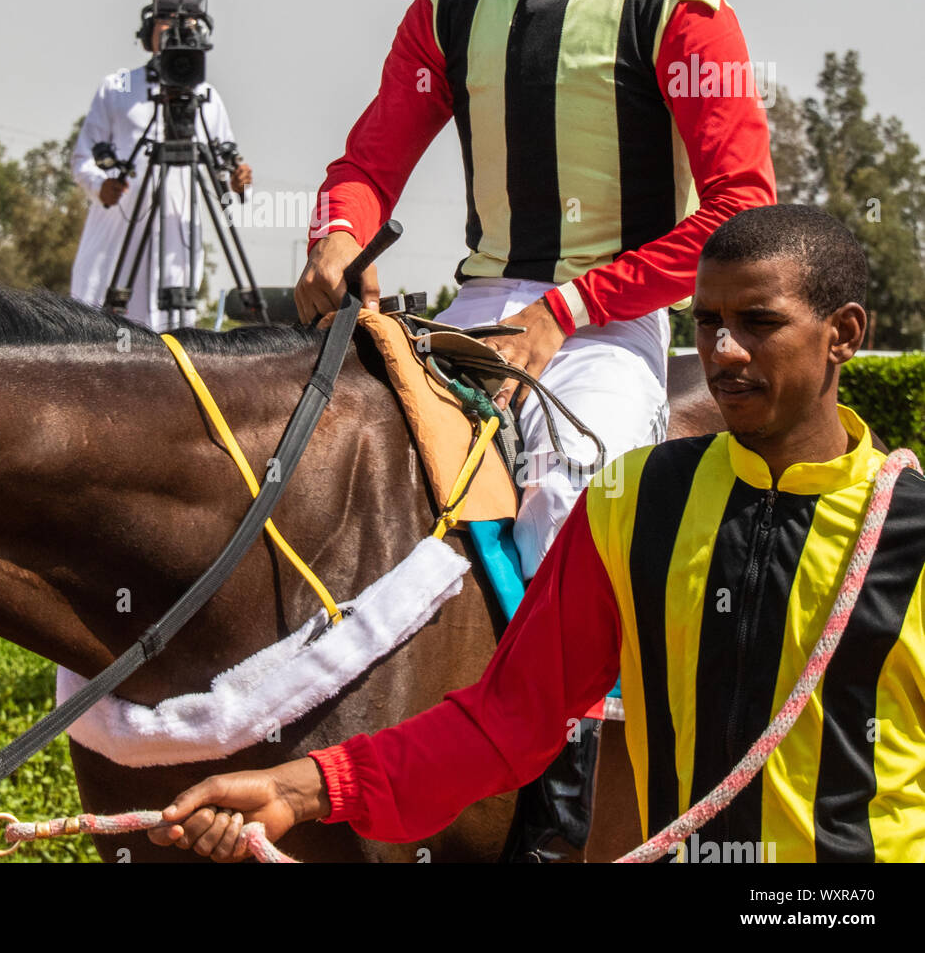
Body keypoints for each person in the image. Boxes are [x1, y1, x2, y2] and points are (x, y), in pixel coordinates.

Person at [293, 0, 776, 856]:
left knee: (572, 489)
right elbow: (369, 160)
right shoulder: (444, 6)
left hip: (610, 329)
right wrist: (334, 234)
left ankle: (560, 810)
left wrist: (568, 307)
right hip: (469, 307)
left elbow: (740, 209)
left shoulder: (679, 3)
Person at [149, 206, 925, 862]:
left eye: (758, 324)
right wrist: (299, 788)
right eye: (708, 324)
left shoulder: (912, 531)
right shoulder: (633, 499)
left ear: (844, 334)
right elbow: (508, 717)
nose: (723, 353)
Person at [69, 11, 251, 331]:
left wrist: (239, 182)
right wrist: (101, 186)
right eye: (167, 18)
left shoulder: (208, 99)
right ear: (148, 32)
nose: (178, 27)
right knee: (99, 333)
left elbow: (228, 165)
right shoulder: (116, 88)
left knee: (172, 337)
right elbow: (82, 158)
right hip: (117, 238)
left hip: (175, 243)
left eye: (188, 20)